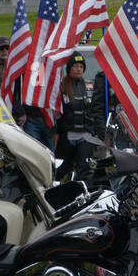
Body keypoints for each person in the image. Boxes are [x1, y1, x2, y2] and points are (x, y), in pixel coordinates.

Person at [55, 52, 98, 180]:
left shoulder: (89, 86)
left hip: (85, 136)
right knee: (62, 168)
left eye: (81, 66)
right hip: (67, 137)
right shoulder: (61, 87)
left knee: (85, 169)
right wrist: (56, 132)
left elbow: (95, 110)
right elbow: (56, 114)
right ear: (69, 68)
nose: (79, 69)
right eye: (75, 66)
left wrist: (94, 131)